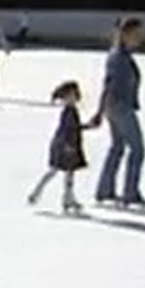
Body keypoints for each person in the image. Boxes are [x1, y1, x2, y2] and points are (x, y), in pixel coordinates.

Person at [94, 17, 145, 207]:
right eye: (136, 35)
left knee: (117, 146)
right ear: (125, 35)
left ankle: (105, 189)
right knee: (137, 149)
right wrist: (100, 111)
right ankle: (130, 192)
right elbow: (109, 84)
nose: (139, 39)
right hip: (120, 106)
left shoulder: (120, 55)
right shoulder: (118, 57)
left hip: (116, 106)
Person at [27, 81, 100, 213]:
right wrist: (68, 145)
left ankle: (67, 198)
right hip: (64, 146)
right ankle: (37, 192)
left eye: (74, 95)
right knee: (56, 171)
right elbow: (67, 130)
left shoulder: (72, 111)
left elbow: (75, 128)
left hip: (69, 146)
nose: (72, 98)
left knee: (68, 174)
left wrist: (88, 126)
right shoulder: (68, 112)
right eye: (69, 96)